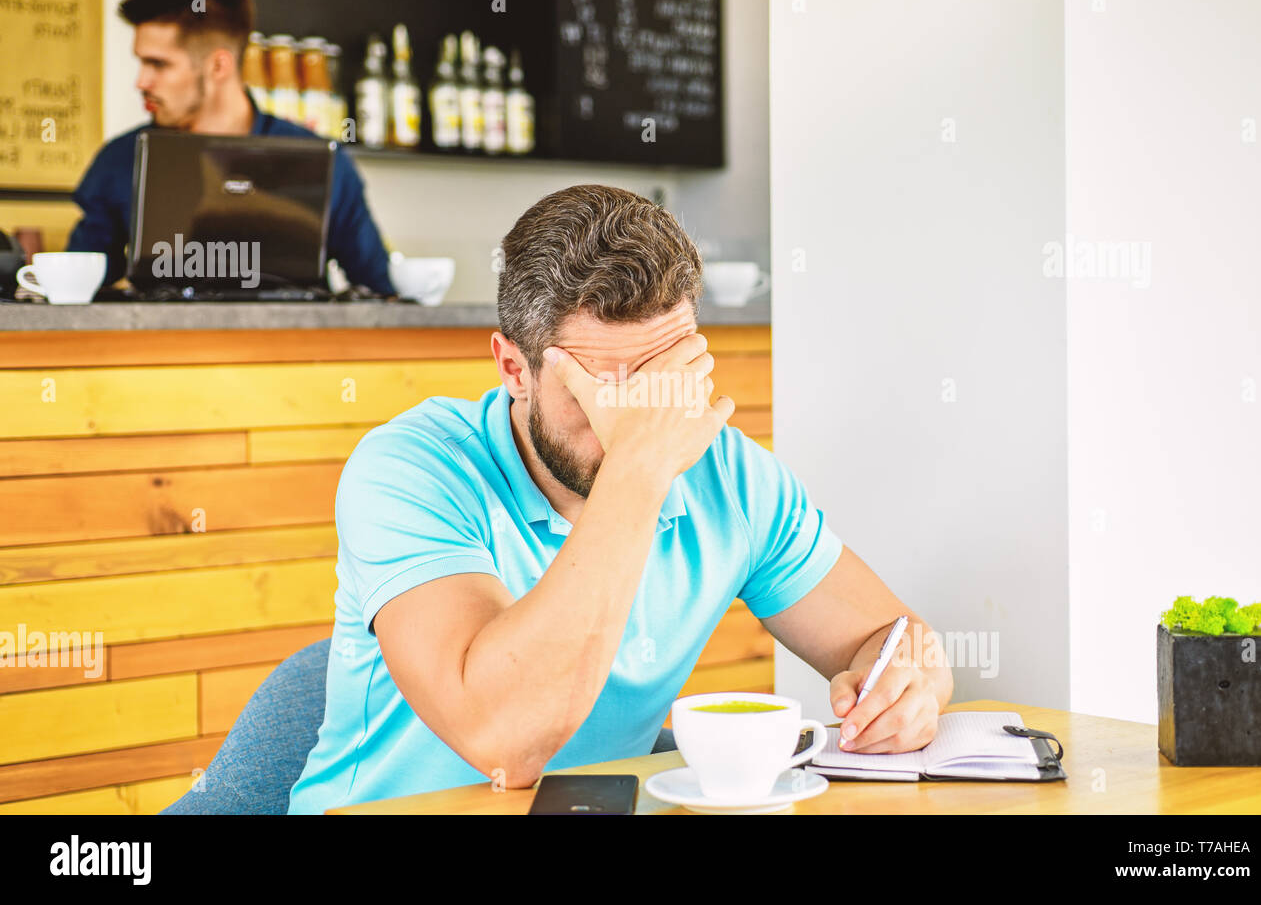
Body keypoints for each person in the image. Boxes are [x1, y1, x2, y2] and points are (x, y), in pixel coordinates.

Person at [286, 185, 953, 813]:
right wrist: (639, 470)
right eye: (603, 389)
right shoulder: (411, 470)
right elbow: (504, 743)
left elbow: (890, 639)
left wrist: (908, 689)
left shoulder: (732, 479)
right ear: (515, 369)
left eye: (665, 379)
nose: (638, 417)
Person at [67, 0, 394, 295]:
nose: (142, 82)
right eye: (141, 63)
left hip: (290, 345)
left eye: (159, 64)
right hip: (162, 346)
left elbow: (380, 293)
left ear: (218, 67)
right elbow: (74, 289)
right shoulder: (119, 159)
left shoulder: (327, 164)